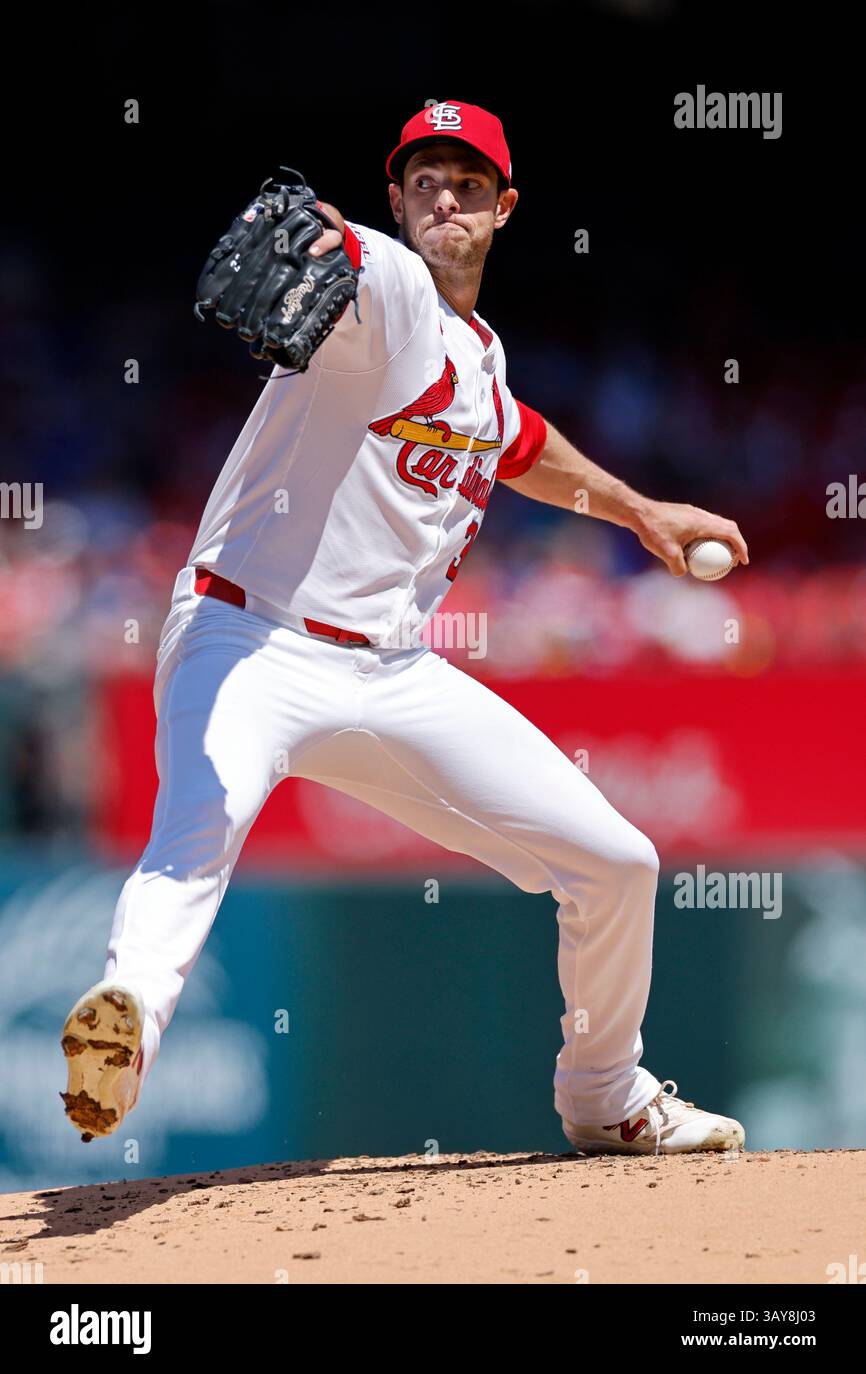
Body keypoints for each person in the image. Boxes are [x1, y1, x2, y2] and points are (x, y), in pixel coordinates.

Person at [62, 100, 749, 1155]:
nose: (442, 196)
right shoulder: (382, 288)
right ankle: (125, 1027)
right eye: (422, 178)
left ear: (503, 207)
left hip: (389, 672)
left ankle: (604, 1092)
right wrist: (334, 236)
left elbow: (516, 442)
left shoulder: (477, 358)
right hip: (247, 640)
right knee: (197, 824)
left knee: (618, 861)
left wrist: (642, 512)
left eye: (466, 183)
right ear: (396, 197)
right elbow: (348, 250)